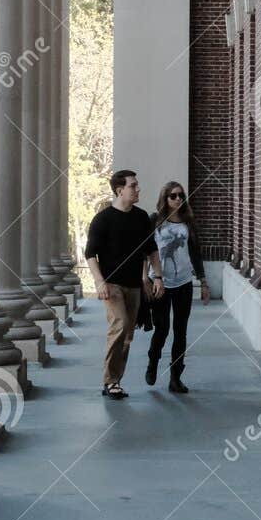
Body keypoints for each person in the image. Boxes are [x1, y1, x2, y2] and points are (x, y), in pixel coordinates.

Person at [85, 170, 164, 400]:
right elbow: (90, 254)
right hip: (112, 284)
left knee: (128, 333)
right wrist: (99, 282)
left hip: (134, 286)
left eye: (137, 185)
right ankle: (110, 381)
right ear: (120, 190)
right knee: (119, 325)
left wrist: (157, 277)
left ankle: (115, 381)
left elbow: (151, 249)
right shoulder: (103, 219)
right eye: (133, 186)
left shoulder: (140, 218)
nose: (138, 189)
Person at [144, 181, 211, 394]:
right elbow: (145, 250)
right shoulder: (154, 220)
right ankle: (153, 363)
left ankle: (175, 377)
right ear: (165, 198)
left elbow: (196, 253)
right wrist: (145, 278)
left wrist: (203, 281)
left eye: (181, 195)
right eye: (173, 196)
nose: (178, 199)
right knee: (162, 329)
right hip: (160, 283)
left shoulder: (188, 222)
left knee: (180, 332)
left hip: (183, 283)